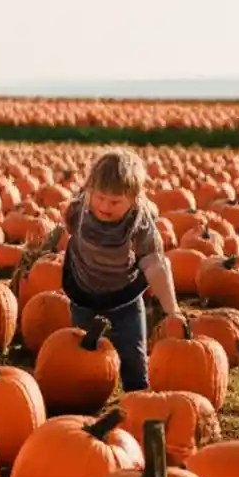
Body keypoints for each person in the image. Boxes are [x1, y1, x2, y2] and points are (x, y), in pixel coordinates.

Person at [61, 147, 179, 392]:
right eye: (100, 197)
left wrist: (172, 310)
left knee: (133, 356)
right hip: (83, 293)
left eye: (115, 202)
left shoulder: (139, 222)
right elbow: (69, 224)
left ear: (135, 198)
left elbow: (155, 264)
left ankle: (137, 395)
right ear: (89, 190)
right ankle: (84, 398)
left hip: (124, 297)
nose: (105, 206)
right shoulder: (80, 207)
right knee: (82, 356)